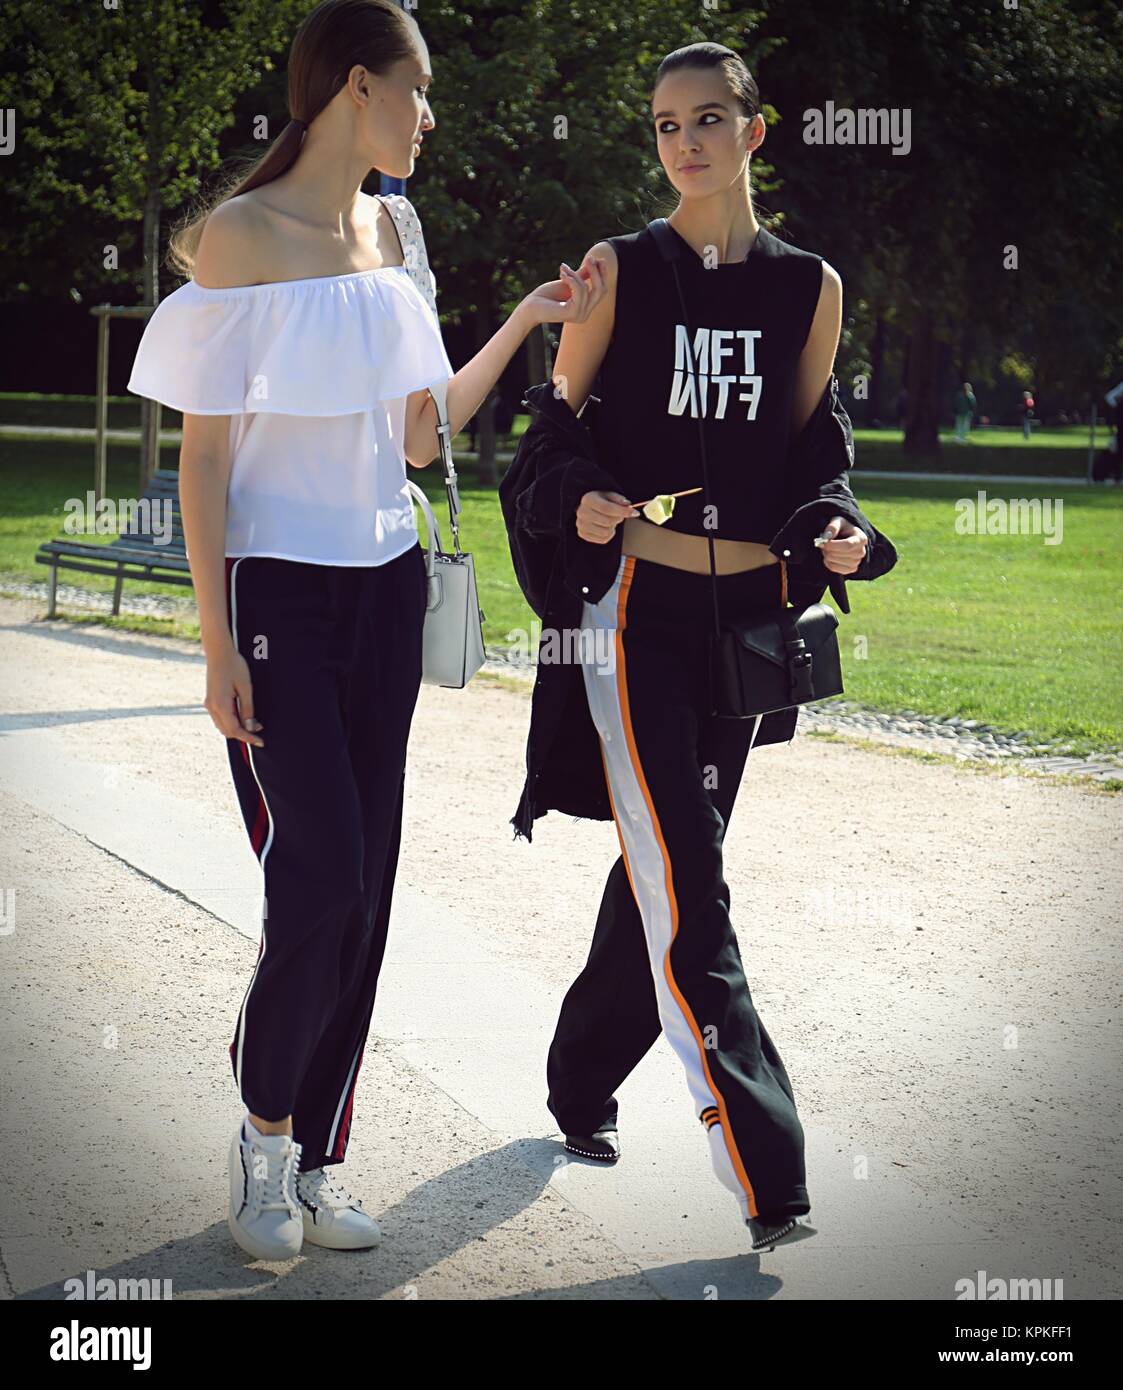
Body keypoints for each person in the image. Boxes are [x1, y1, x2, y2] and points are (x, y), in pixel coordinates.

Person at [127, 0, 606, 1263]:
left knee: (371, 883)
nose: (431, 115)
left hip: (386, 585)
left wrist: (517, 323)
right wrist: (214, 640)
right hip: (275, 592)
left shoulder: (393, 231)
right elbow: (207, 462)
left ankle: (321, 1156)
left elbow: (417, 434)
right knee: (319, 878)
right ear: (355, 89)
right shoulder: (237, 240)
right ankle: (265, 1138)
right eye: (418, 90)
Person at [500, 42, 897, 1255]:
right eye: (666, 124)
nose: (685, 143)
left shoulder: (810, 288)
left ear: (755, 133)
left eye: (708, 119)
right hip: (634, 620)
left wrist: (836, 526)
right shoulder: (619, 272)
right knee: (690, 876)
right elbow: (545, 438)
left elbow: (814, 452)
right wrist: (576, 496)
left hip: (748, 634)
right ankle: (769, 1168)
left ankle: (576, 1079)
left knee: (670, 865)